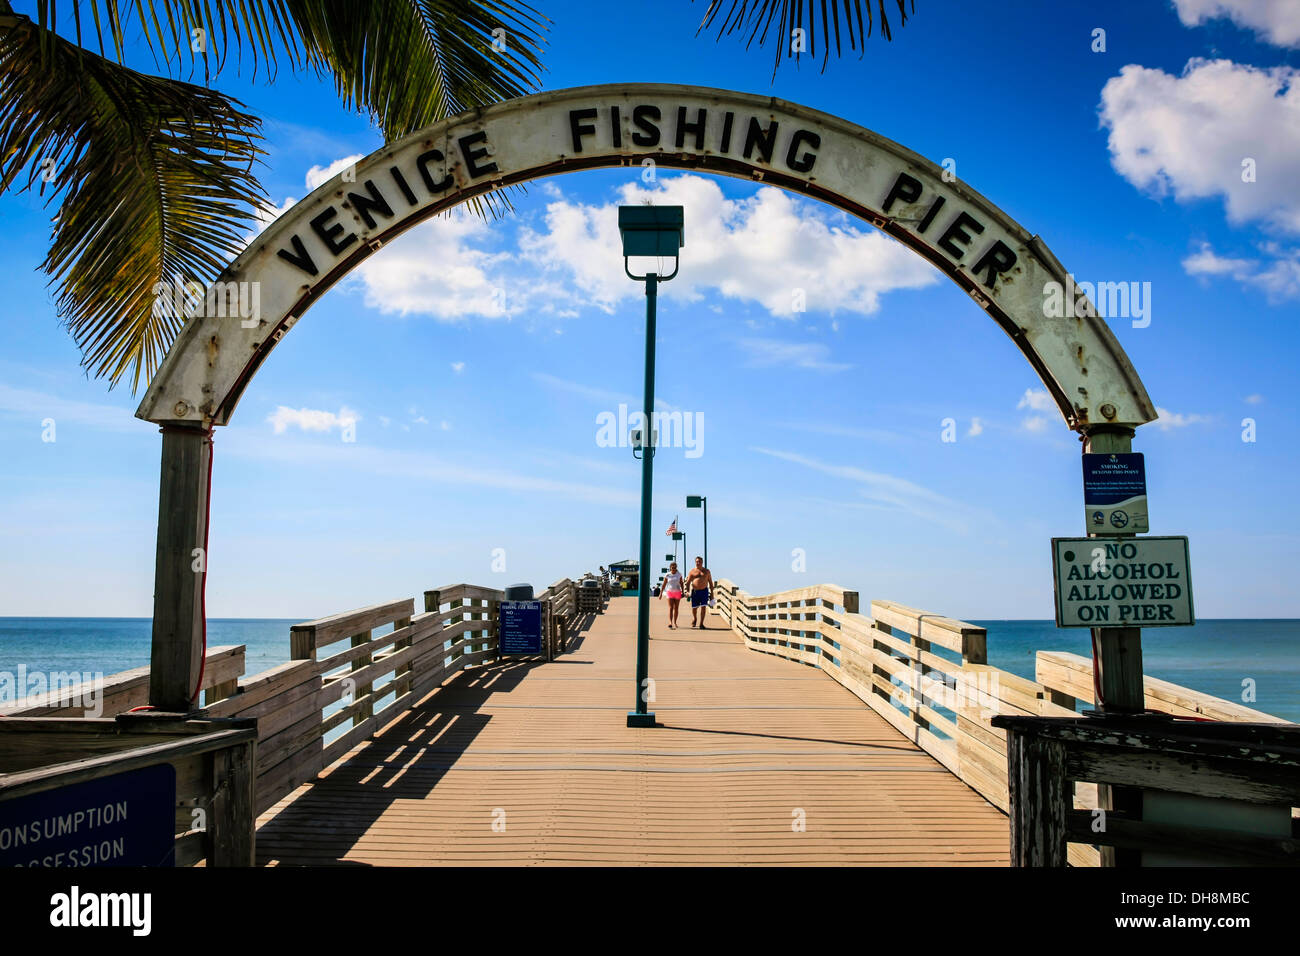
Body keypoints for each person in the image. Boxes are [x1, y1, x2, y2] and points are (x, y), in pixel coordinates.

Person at [684, 555, 713, 629]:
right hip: (695, 592)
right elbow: (687, 583)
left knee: (703, 607)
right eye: (697, 561)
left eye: (699, 561)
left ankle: (701, 624)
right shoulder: (692, 571)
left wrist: (712, 593)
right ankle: (695, 619)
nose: (698, 563)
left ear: (702, 562)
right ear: (695, 562)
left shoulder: (706, 571)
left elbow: (710, 582)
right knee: (694, 608)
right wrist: (687, 591)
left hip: (704, 591)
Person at [659, 562, 684, 629]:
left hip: (677, 592)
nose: (673, 568)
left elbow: (682, 583)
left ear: (676, 567)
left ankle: (675, 622)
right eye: (672, 567)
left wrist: (683, 592)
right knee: (671, 608)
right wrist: (660, 593)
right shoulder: (667, 575)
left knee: (676, 608)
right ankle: (670, 622)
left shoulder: (679, 574)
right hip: (669, 592)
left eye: (675, 567)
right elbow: (664, 584)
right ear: (670, 568)